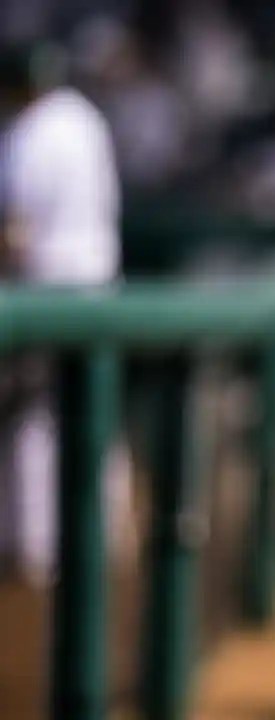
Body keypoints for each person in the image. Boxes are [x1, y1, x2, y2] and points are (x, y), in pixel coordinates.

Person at [0, 41, 130, 582]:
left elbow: (14, 234)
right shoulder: (85, 117)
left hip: (43, 294)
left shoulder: (25, 134)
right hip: (98, 287)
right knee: (95, 414)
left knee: (32, 417)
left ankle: (36, 548)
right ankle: (111, 534)